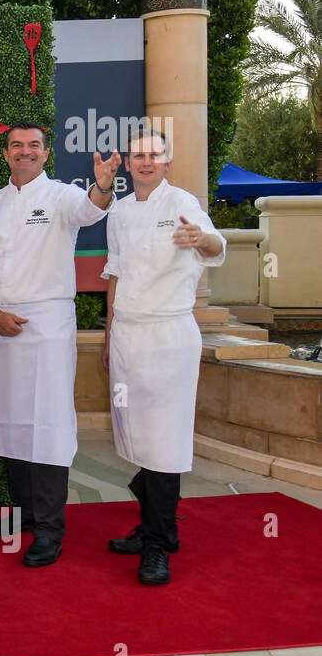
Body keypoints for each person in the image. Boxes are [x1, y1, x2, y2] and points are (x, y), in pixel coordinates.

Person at [0, 123, 121, 567]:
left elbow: (90, 211)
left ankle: (51, 529)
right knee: (11, 420)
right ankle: (27, 518)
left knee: (48, 424)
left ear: (46, 153)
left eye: (33, 145)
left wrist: (103, 186)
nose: (25, 152)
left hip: (48, 322)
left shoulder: (62, 196)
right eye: (17, 146)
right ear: (5, 154)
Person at [101, 129, 225, 585]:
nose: (146, 162)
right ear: (129, 163)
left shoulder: (184, 204)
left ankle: (157, 545)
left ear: (167, 162)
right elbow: (114, 274)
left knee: (165, 440)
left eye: (154, 155)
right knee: (135, 435)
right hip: (128, 337)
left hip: (170, 335)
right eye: (138, 155)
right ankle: (159, 523)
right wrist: (110, 335)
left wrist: (202, 239)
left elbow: (215, 247)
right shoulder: (119, 212)